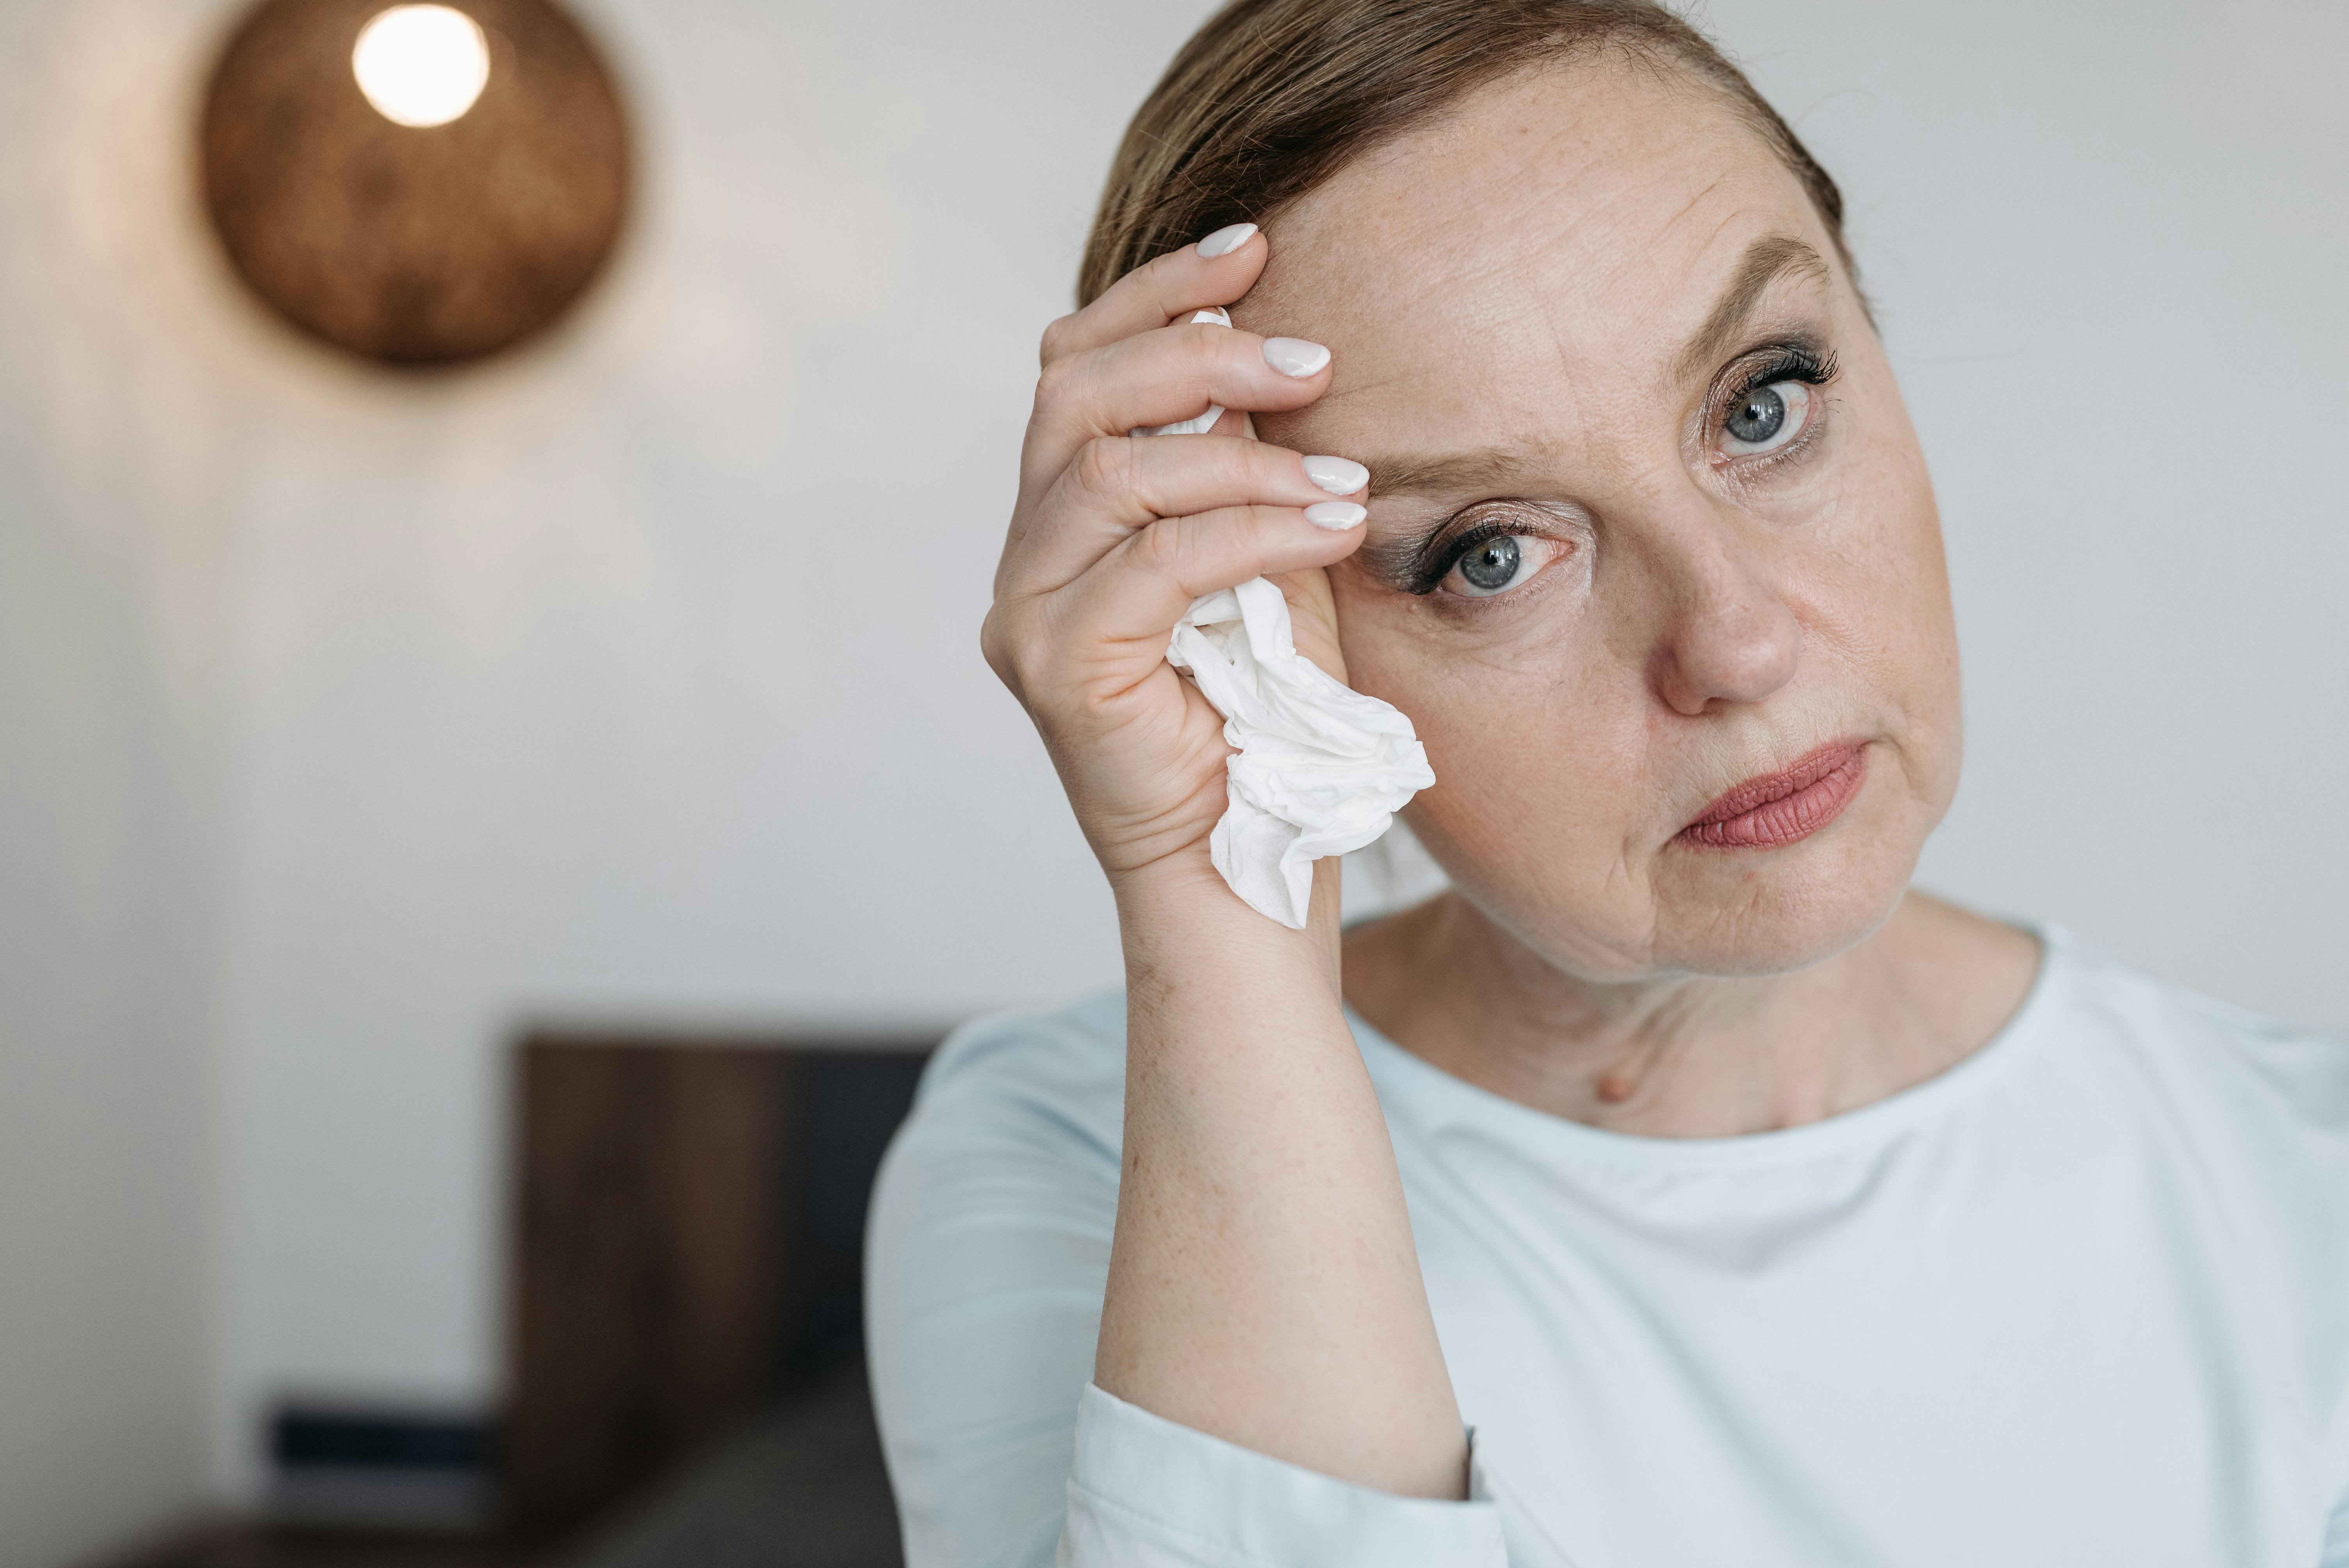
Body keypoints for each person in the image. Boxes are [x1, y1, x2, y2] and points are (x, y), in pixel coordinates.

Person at [866, 2, 2349, 1563]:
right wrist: (1211, 867)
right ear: (1262, 629)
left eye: (1761, 401)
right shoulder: (1066, 1164)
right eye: (1488, 551)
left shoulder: (2299, 1185)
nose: (1739, 639)